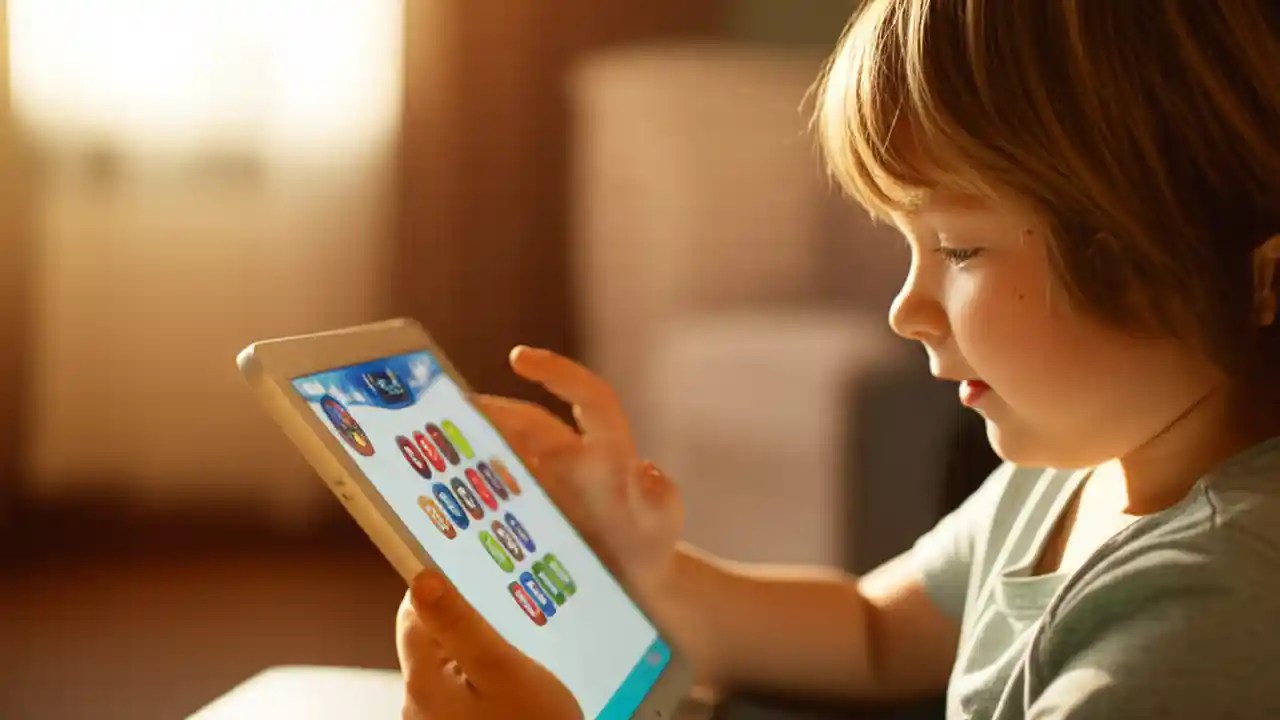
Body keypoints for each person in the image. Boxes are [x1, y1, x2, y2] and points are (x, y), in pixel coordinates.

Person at [396, 1, 1280, 717]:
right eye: (909, 245)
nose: (906, 308)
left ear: (1252, 275)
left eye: (962, 249)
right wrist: (644, 564)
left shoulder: (1212, 617)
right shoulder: (1074, 473)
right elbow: (871, 635)